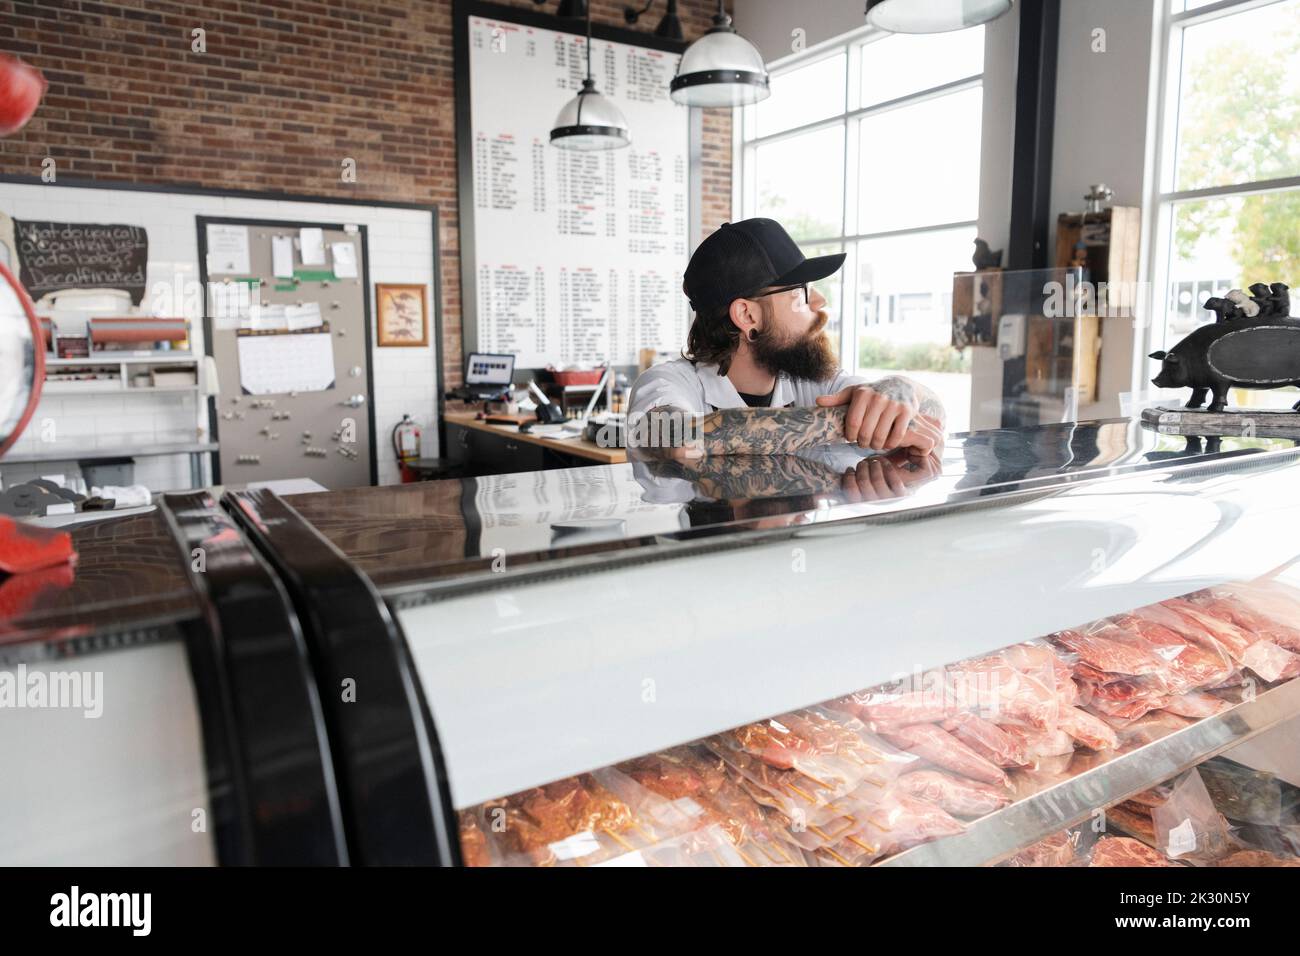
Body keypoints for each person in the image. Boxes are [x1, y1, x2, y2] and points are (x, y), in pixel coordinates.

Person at [627, 218, 946, 461]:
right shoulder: (666, 384)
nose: (819, 301)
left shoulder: (815, 383)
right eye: (800, 292)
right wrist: (850, 422)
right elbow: (677, 436)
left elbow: (933, 416)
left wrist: (902, 387)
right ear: (748, 316)